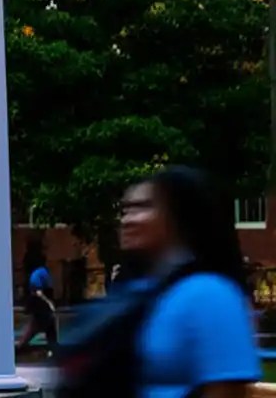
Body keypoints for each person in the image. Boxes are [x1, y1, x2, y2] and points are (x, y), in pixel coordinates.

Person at [57, 166, 259, 398]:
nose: (128, 220)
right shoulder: (137, 293)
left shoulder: (211, 296)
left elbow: (226, 392)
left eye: (144, 207)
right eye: (126, 210)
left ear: (178, 215)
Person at [17, 248, 57, 356]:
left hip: (40, 305)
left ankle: (53, 349)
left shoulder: (37, 273)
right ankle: (20, 348)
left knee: (48, 328)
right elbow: (38, 292)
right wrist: (49, 303)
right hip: (40, 305)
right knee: (37, 327)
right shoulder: (39, 273)